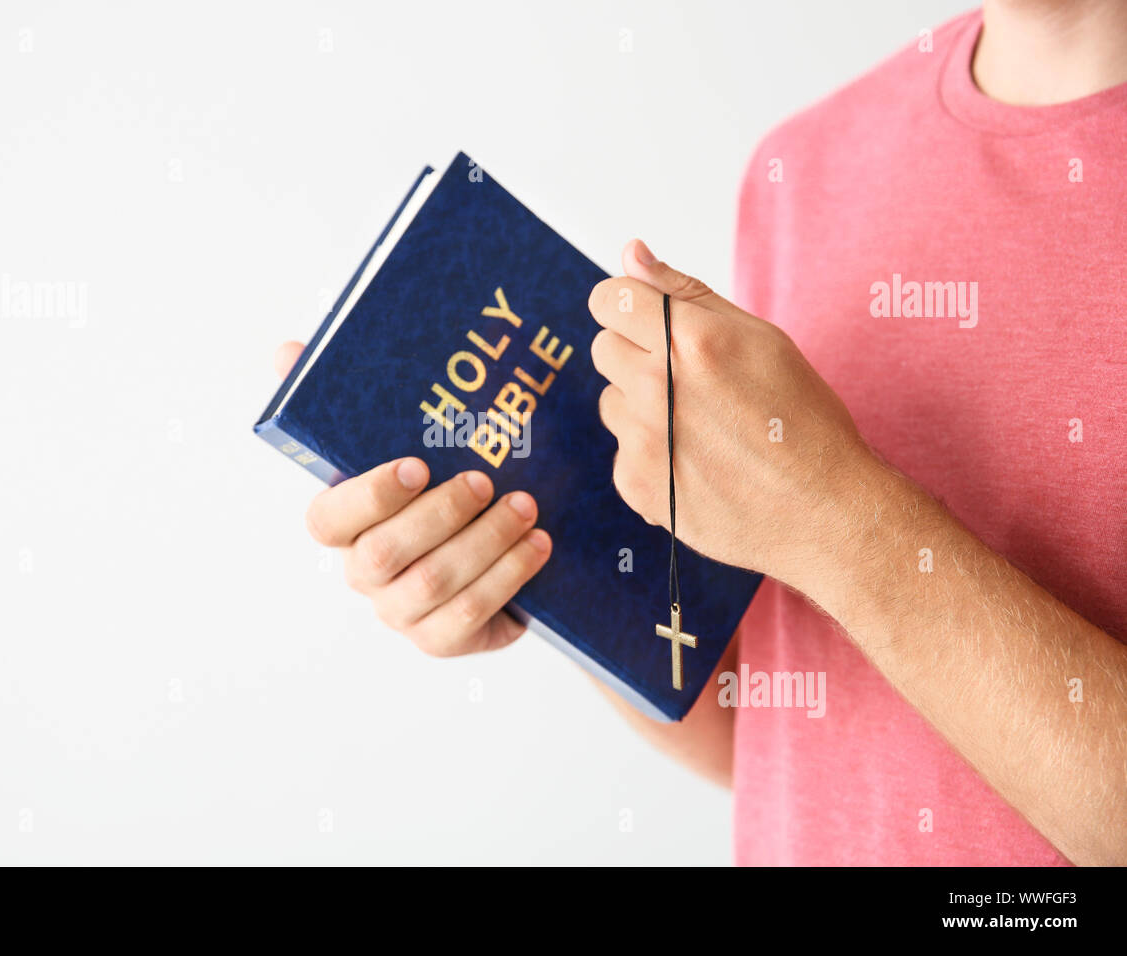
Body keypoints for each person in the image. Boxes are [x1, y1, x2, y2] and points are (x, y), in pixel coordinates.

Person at [273, 1, 1127, 866]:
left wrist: (837, 518)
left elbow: (837, 534)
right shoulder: (808, 164)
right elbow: (784, 738)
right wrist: (536, 561)